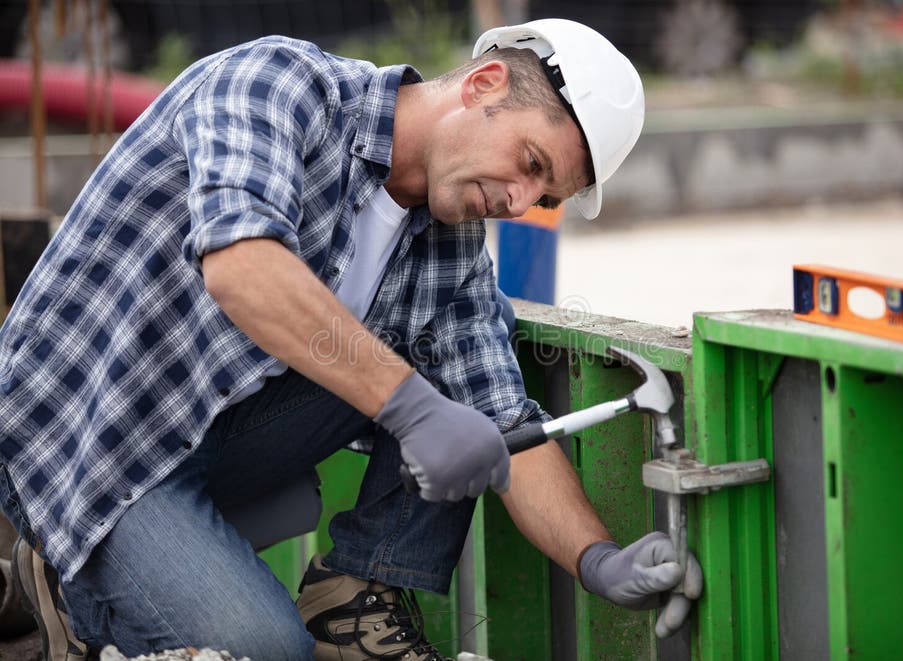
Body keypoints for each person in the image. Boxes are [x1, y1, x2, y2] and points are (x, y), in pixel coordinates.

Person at [0, 18, 702, 661]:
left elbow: (506, 426)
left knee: (459, 385)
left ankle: (355, 598)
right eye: (530, 162)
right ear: (484, 84)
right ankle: (69, 588)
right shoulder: (277, 85)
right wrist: (413, 408)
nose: (520, 202)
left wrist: (599, 559)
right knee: (269, 651)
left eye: (543, 196)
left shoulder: (449, 246)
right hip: (88, 445)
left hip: (211, 435)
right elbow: (242, 267)